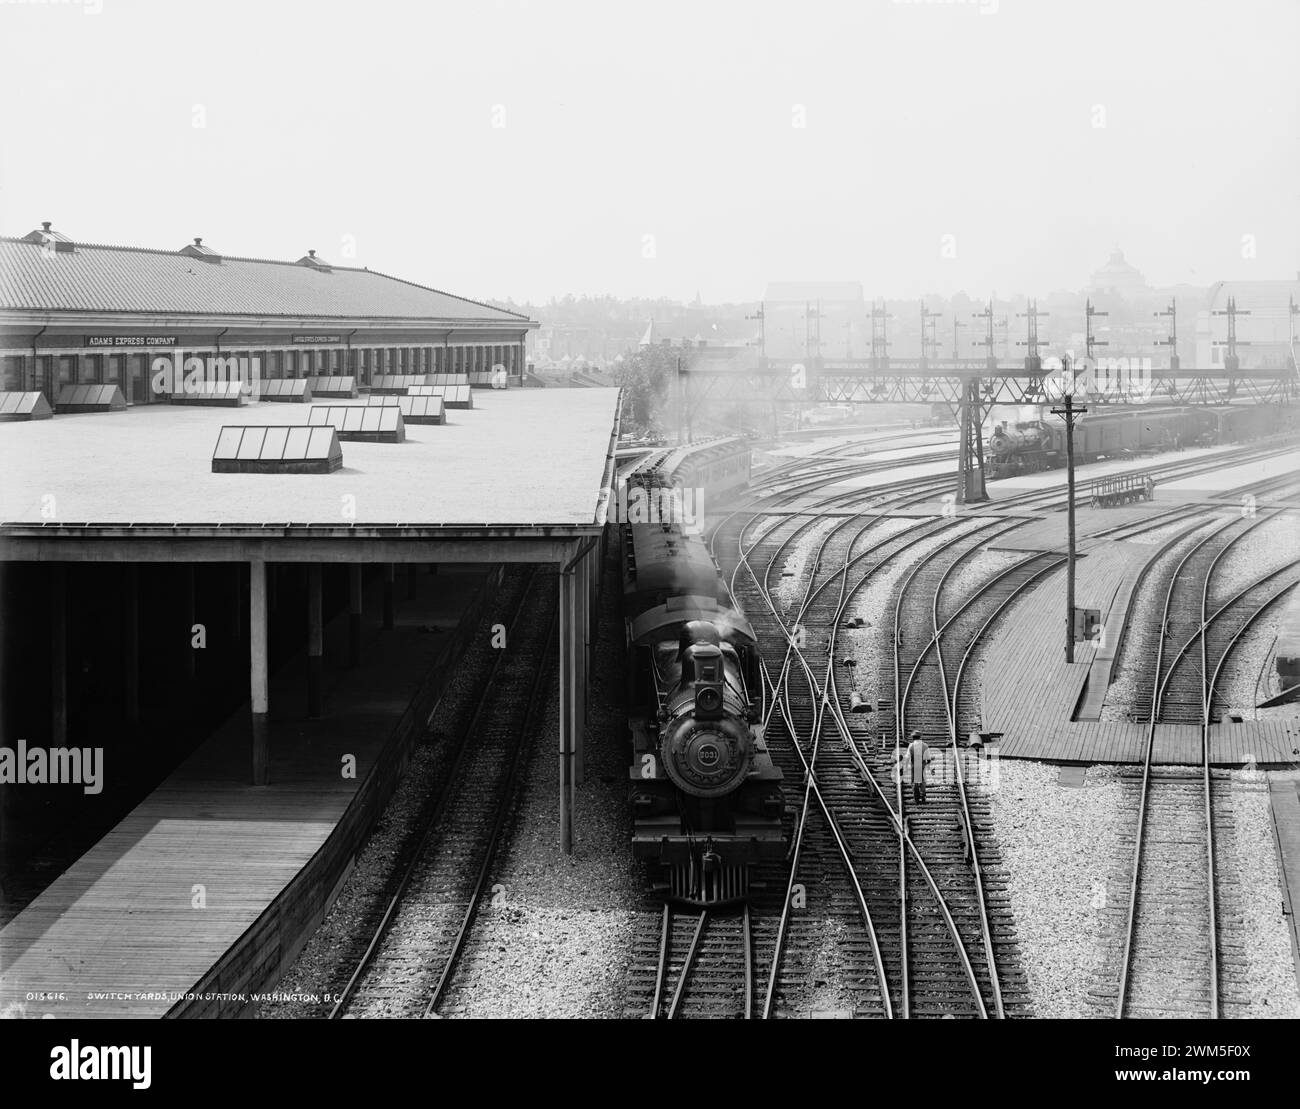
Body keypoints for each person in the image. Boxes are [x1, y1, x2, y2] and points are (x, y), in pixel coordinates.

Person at [906, 731, 929, 804]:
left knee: (914, 781)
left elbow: (907, 757)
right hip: (922, 765)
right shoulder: (925, 745)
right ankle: (923, 796)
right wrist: (927, 765)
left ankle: (916, 797)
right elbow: (928, 758)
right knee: (922, 781)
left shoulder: (911, 745)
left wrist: (905, 765)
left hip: (914, 765)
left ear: (913, 737)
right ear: (920, 737)